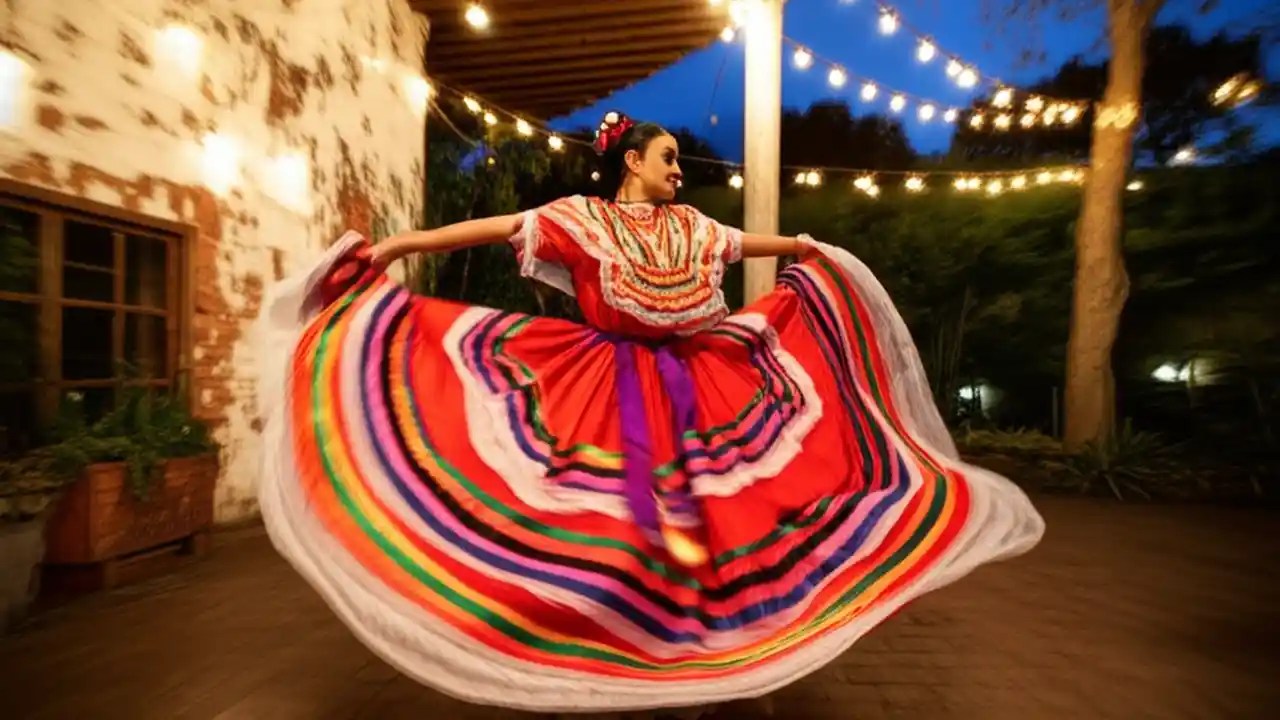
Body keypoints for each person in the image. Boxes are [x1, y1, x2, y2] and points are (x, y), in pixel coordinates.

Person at [255, 111, 1044, 713]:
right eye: (668, 158)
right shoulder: (580, 219)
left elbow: (750, 244)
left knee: (719, 514)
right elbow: (496, 228)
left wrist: (807, 251)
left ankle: (716, 649)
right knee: (612, 515)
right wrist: (399, 248)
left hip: (700, 379)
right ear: (631, 162)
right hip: (605, 381)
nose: (680, 169)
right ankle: (609, 641)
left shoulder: (695, 228)